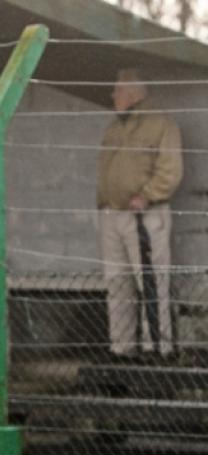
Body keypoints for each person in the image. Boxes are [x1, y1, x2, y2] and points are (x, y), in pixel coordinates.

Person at [98, 68, 182, 361]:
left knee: (150, 281)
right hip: (112, 214)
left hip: (144, 215)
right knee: (117, 283)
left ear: (134, 92)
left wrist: (146, 195)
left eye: (118, 89)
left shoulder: (160, 124)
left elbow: (170, 169)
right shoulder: (115, 128)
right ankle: (121, 348)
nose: (113, 95)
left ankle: (157, 348)